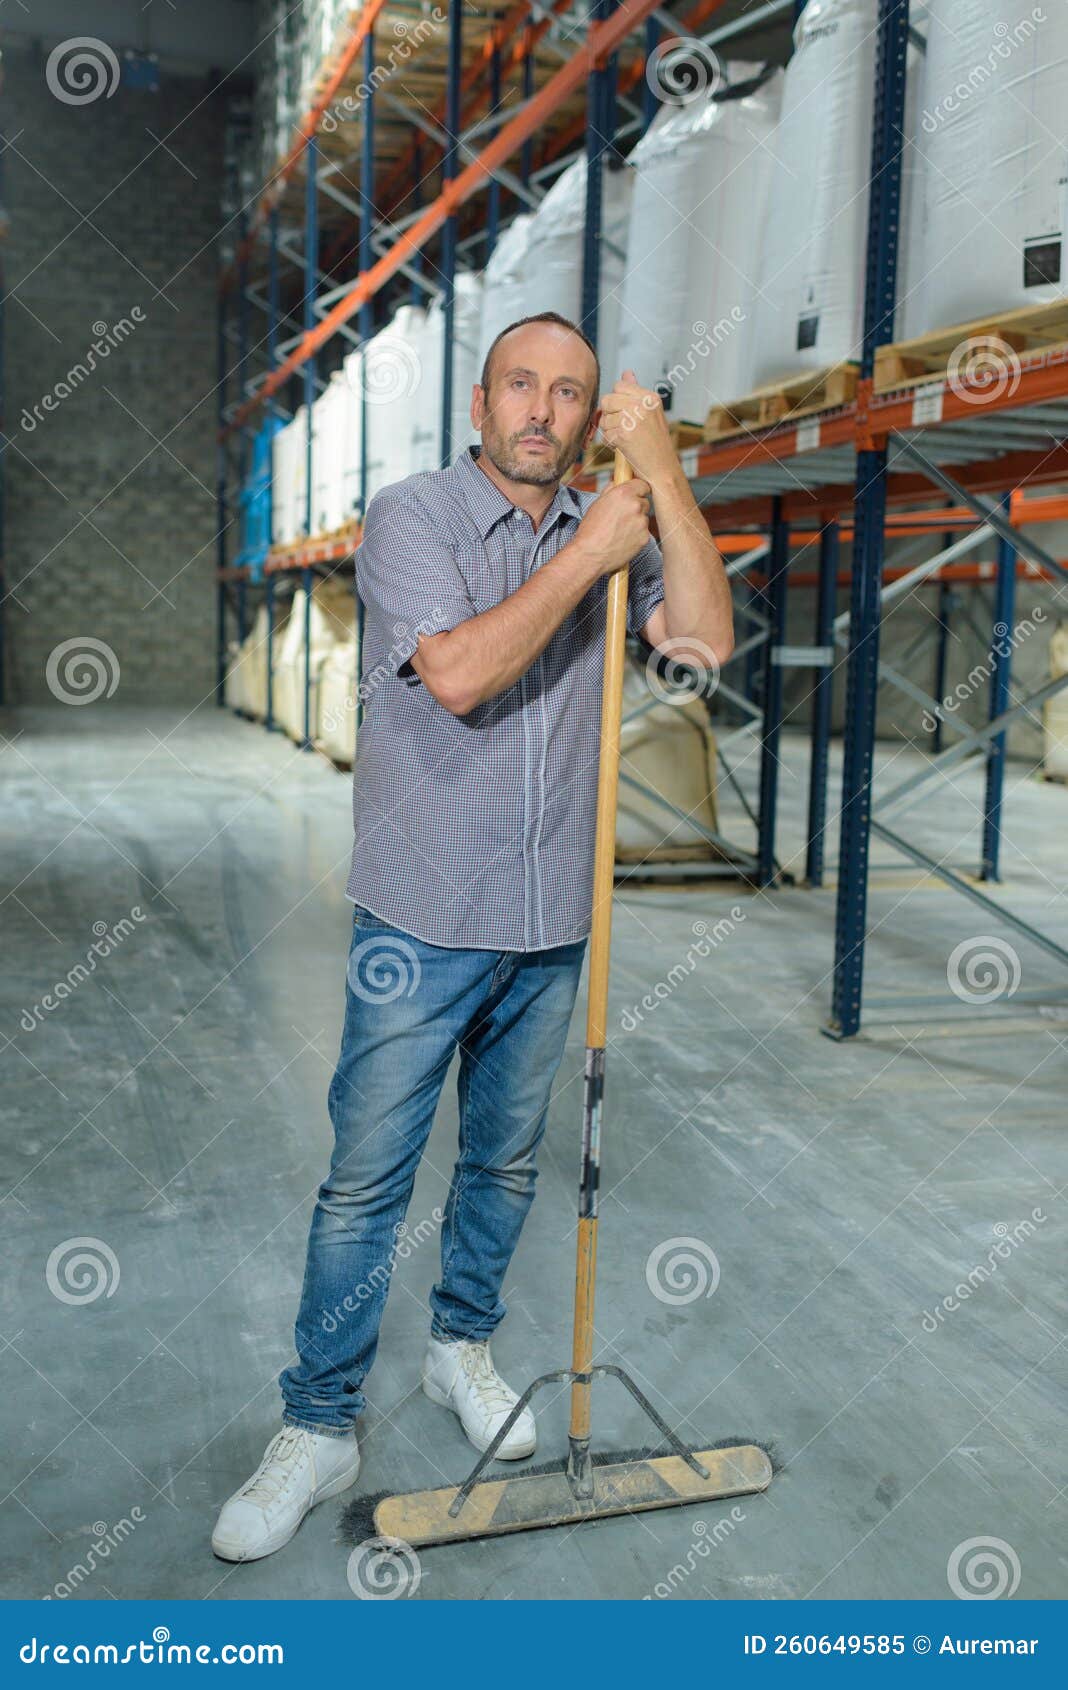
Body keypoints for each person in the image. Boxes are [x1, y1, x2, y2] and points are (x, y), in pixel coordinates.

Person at [211, 310, 734, 1561]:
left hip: (553, 920)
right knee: (366, 1181)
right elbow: (456, 674)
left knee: (502, 1167)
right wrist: (594, 552)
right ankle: (320, 1418)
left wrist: (657, 475)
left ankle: (458, 1350)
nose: (544, 410)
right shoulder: (415, 517)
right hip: (424, 919)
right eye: (522, 385)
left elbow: (703, 641)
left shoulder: (611, 513)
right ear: (482, 401)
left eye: (572, 392)